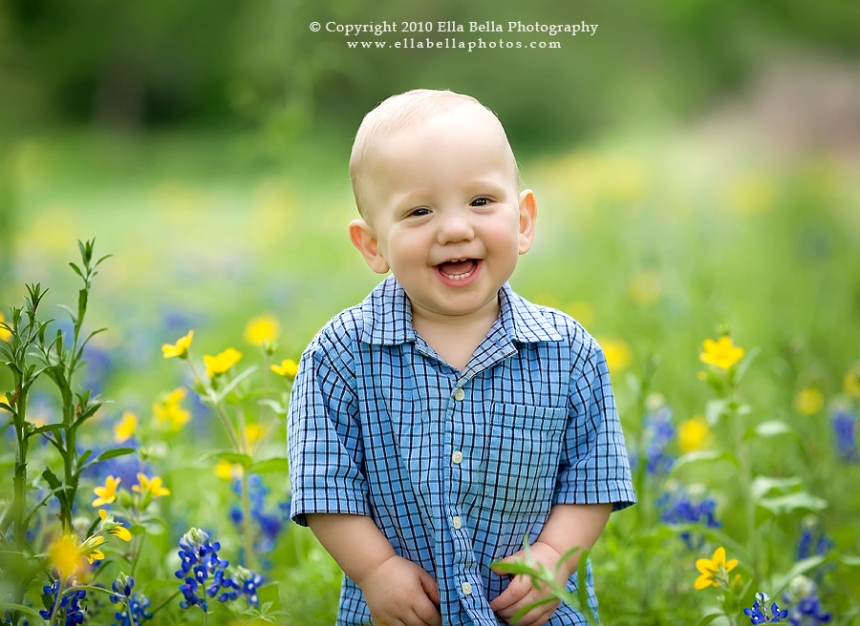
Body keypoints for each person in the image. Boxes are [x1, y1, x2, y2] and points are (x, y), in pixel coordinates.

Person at [287, 89, 636, 626]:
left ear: (523, 221)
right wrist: (376, 570)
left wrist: (552, 558)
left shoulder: (570, 353)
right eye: (419, 210)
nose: (454, 228)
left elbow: (593, 480)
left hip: (531, 611)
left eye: (480, 202)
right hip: (404, 613)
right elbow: (325, 485)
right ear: (372, 244)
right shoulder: (338, 357)